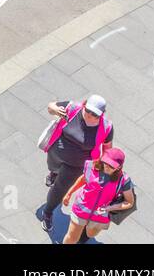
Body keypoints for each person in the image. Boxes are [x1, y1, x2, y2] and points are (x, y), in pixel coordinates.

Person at [39, 93, 114, 233]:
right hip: (55, 152)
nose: (90, 115)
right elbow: (50, 106)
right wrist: (54, 109)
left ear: (102, 114)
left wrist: (105, 168)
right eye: (88, 111)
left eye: (95, 114)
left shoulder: (106, 127)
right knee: (53, 168)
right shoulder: (72, 108)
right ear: (84, 104)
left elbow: (108, 149)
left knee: (60, 189)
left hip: (76, 165)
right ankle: (53, 173)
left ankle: (48, 212)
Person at [62, 147, 135, 244]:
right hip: (81, 208)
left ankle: (84, 233)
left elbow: (129, 202)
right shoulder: (91, 166)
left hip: (100, 215)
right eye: (106, 163)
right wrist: (69, 193)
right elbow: (82, 180)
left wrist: (109, 208)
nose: (107, 167)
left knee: (90, 234)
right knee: (72, 238)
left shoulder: (123, 181)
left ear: (119, 167)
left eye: (111, 166)